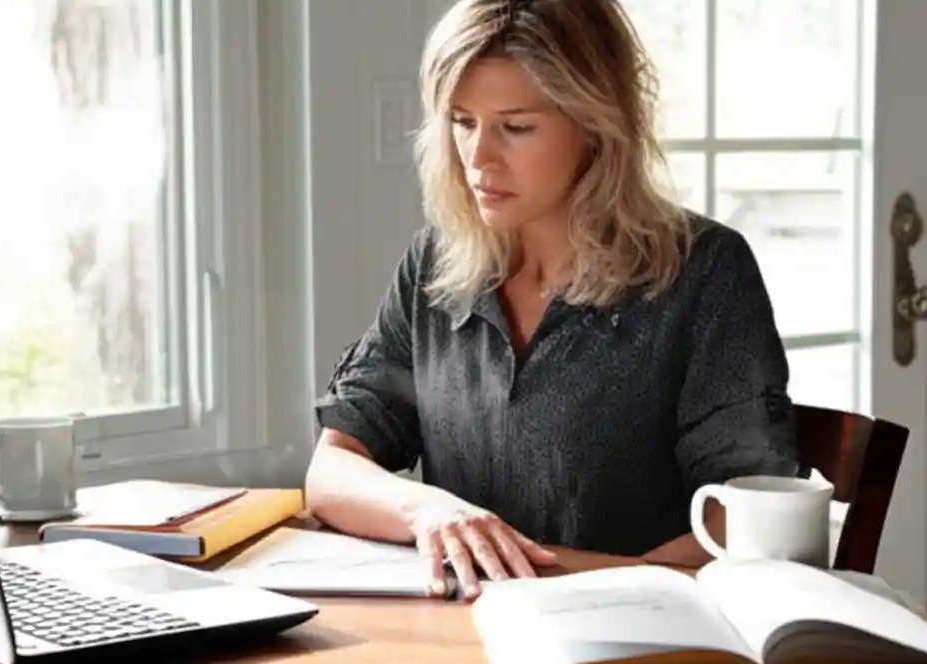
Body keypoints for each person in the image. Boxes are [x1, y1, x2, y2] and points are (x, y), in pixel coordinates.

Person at [304, 0, 799, 600]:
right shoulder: (434, 265)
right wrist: (429, 511)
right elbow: (331, 472)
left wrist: (576, 589)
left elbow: (745, 520)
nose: (478, 158)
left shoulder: (705, 272)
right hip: (464, 645)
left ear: (595, 124)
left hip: (641, 647)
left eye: (515, 127)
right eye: (462, 122)